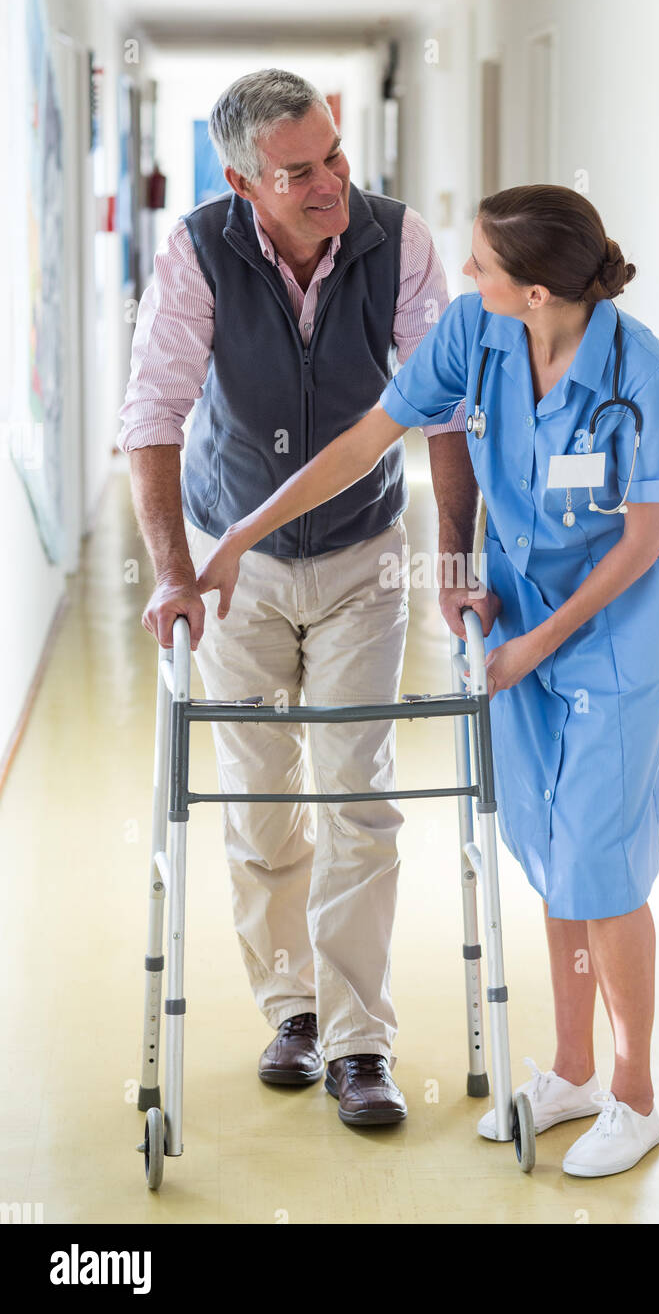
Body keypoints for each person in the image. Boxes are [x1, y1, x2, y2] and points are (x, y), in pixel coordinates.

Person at [195, 184, 659, 1178]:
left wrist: (534, 643)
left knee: (601, 860)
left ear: (541, 292)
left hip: (608, 640)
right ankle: (569, 1069)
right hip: (510, 628)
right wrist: (243, 535)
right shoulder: (476, 334)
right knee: (551, 855)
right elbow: (362, 442)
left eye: (481, 265)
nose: (464, 277)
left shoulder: (641, 371)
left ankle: (635, 1093)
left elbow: (643, 539)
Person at [117, 68, 495, 1128]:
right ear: (243, 181)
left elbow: (445, 411)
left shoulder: (395, 238)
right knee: (260, 795)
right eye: (300, 172)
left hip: (363, 550)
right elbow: (152, 411)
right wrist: (173, 571)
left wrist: (456, 562)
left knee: (356, 791)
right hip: (229, 551)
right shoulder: (196, 249)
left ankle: (358, 1037)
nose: (331, 181)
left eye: (334, 153)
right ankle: (292, 1006)